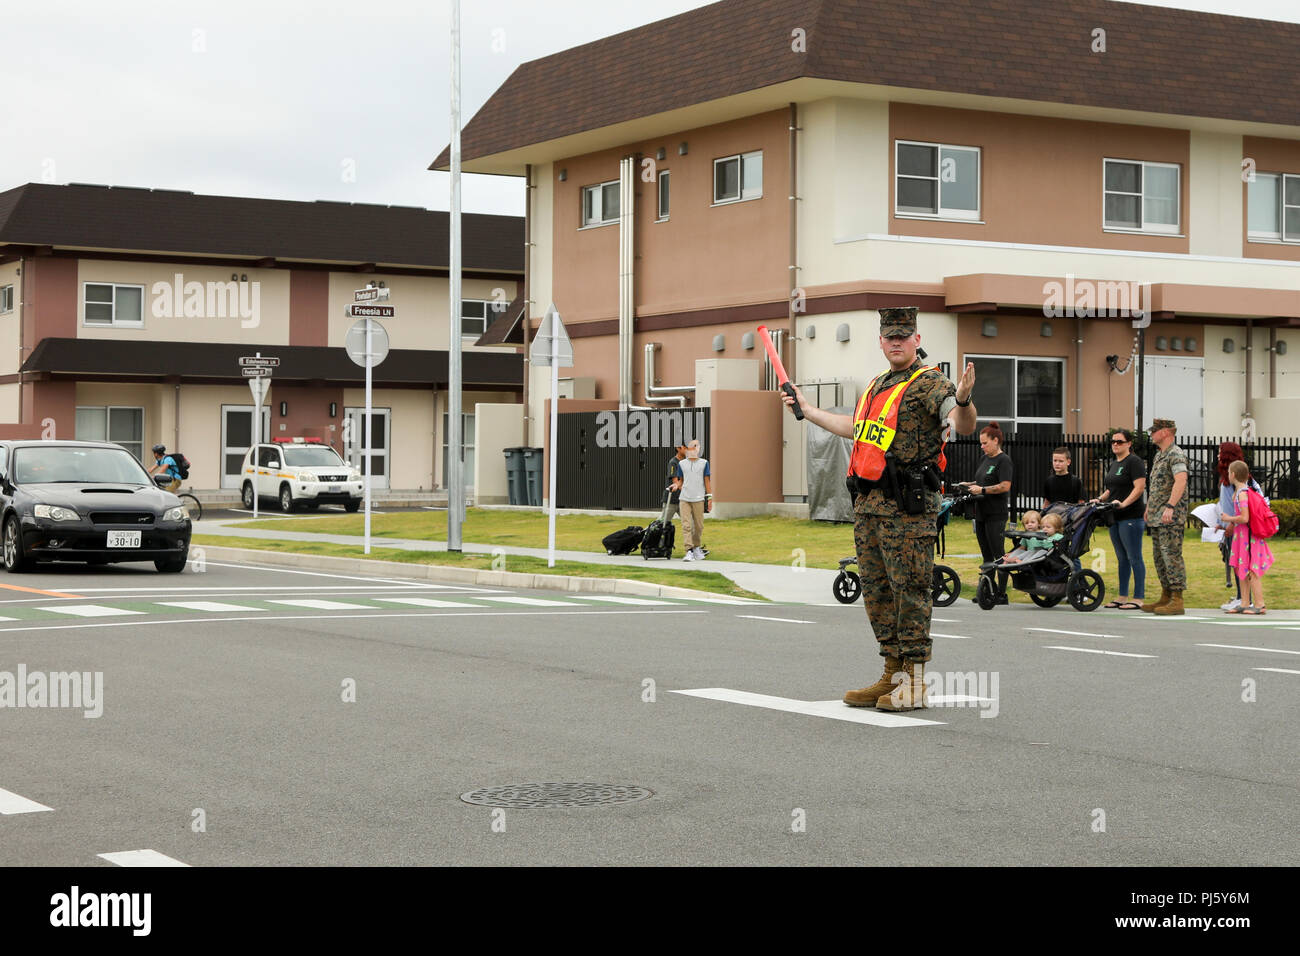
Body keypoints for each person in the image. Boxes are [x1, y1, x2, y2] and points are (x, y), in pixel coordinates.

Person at [783, 307, 977, 712]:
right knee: (877, 592)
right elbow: (854, 429)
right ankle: (892, 673)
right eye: (890, 335)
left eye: (904, 336)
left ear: (917, 340)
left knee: (911, 590)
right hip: (870, 506)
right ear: (881, 340)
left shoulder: (930, 383)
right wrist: (806, 409)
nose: (896, 341)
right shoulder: (877, 385)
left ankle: (916, 681)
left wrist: (963, 399)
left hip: (908, 509)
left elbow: (961, 424)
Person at [960, 422, 1013, 602]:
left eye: (985, 443)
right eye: (981, 443)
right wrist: (968, 485)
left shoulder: (1003, 460)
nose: (982, 447)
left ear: (996, 441)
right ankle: (988, 590)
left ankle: (1002, 593)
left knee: (999, 553)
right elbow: (980, 482)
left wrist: (982, 490)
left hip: (995, 513)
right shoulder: (984, 459)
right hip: (981, 512)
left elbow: (1005, 486)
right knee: (986, 554)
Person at [1096, 429, 1147, 610]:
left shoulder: (1134, 462)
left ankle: (1139, 597)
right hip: (1114, 517)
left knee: (1134, 557)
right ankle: (1122, 596)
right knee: (1121, 558)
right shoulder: (1114, 463)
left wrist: (1124, 504)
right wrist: (1100, 499)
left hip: (1130, 516)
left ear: (1129, 443)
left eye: (1119, 441)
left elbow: (1139, 487)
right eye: (1113, 442)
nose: (1115, 444)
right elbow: (1111, 488)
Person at [1143, 418, 1190, 615]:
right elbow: (1157, 486)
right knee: (1160, 557)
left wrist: (1170, 506)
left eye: (1155, 430)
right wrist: (1150, 508)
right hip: (1157, 515)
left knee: (1171, 555)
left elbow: (1181, 480)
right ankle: (1166, 595)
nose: (1152, 434)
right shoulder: (1159, 455)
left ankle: (1177, 599)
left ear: (1165, 432)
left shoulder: (1175, 454)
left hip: (1170, 515)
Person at [1222, 459, 1274, 615]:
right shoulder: (1241, 492)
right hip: (1243, 538)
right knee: (1241, 569)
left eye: (1229, 472)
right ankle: (1245, 602)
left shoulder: (1242, 494)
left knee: (1252, 570)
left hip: (1248, 538)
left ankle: (1259, 604)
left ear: (1233, 474)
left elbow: (1244, 518)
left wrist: (1228, 519)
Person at [1214, 442, 1261, 612]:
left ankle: (1245, 599)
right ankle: (1243, 598)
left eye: (1221, 452)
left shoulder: (1237, 485)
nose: (1218, 455)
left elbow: (1242, 510)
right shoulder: (1233, 480)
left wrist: (1231, 523)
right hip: (1232, 526)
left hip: (1238, 529)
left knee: (1241, 563)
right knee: (1236, 562)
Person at [672, 440, 711, 561]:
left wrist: (709, 497)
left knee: (699, 526)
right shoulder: (682, 464)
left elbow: (707, 481)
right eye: (690, 447)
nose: (693, 449)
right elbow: (681, 481)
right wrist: (676, 485)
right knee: (686, 525)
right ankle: (688, 551)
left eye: (695, 447)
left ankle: (697, 548)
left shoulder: (704, 463)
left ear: (698, 449)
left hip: (698, 498)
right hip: (684, 499)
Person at [663, 443, 687, 522]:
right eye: (686, 448)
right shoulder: (673, 463)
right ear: (678, 448)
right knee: (663, 524)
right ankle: (646, 533)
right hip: (671, 500)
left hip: (683, 501)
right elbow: (676, 482)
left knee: (691, 524)